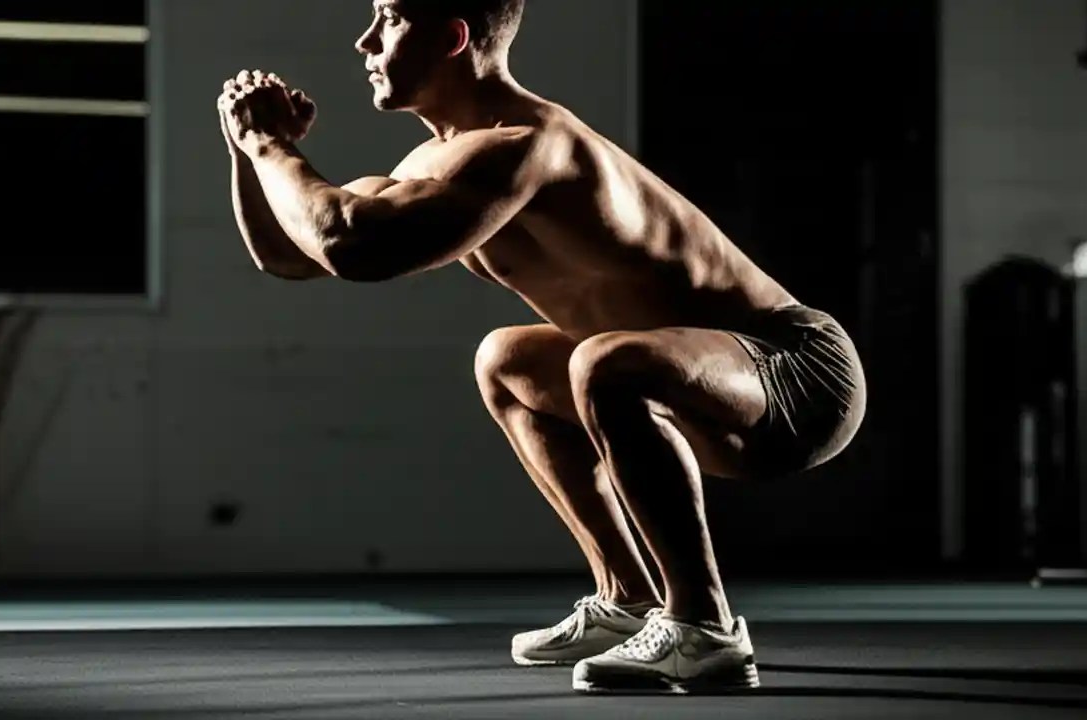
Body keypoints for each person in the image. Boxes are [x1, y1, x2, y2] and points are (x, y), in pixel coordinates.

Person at [217, 0, 867, 695]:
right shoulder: (433, 163)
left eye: (390, 16)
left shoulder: (527, 143)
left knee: (606, 361)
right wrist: (244, 149)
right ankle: (629, 601)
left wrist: (269, 147)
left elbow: (351, 242)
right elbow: (289, 254)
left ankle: (704, 628)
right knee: (507, 360)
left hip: (796, 371)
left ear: (453, 37)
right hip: (693, 379)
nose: (365, 40)